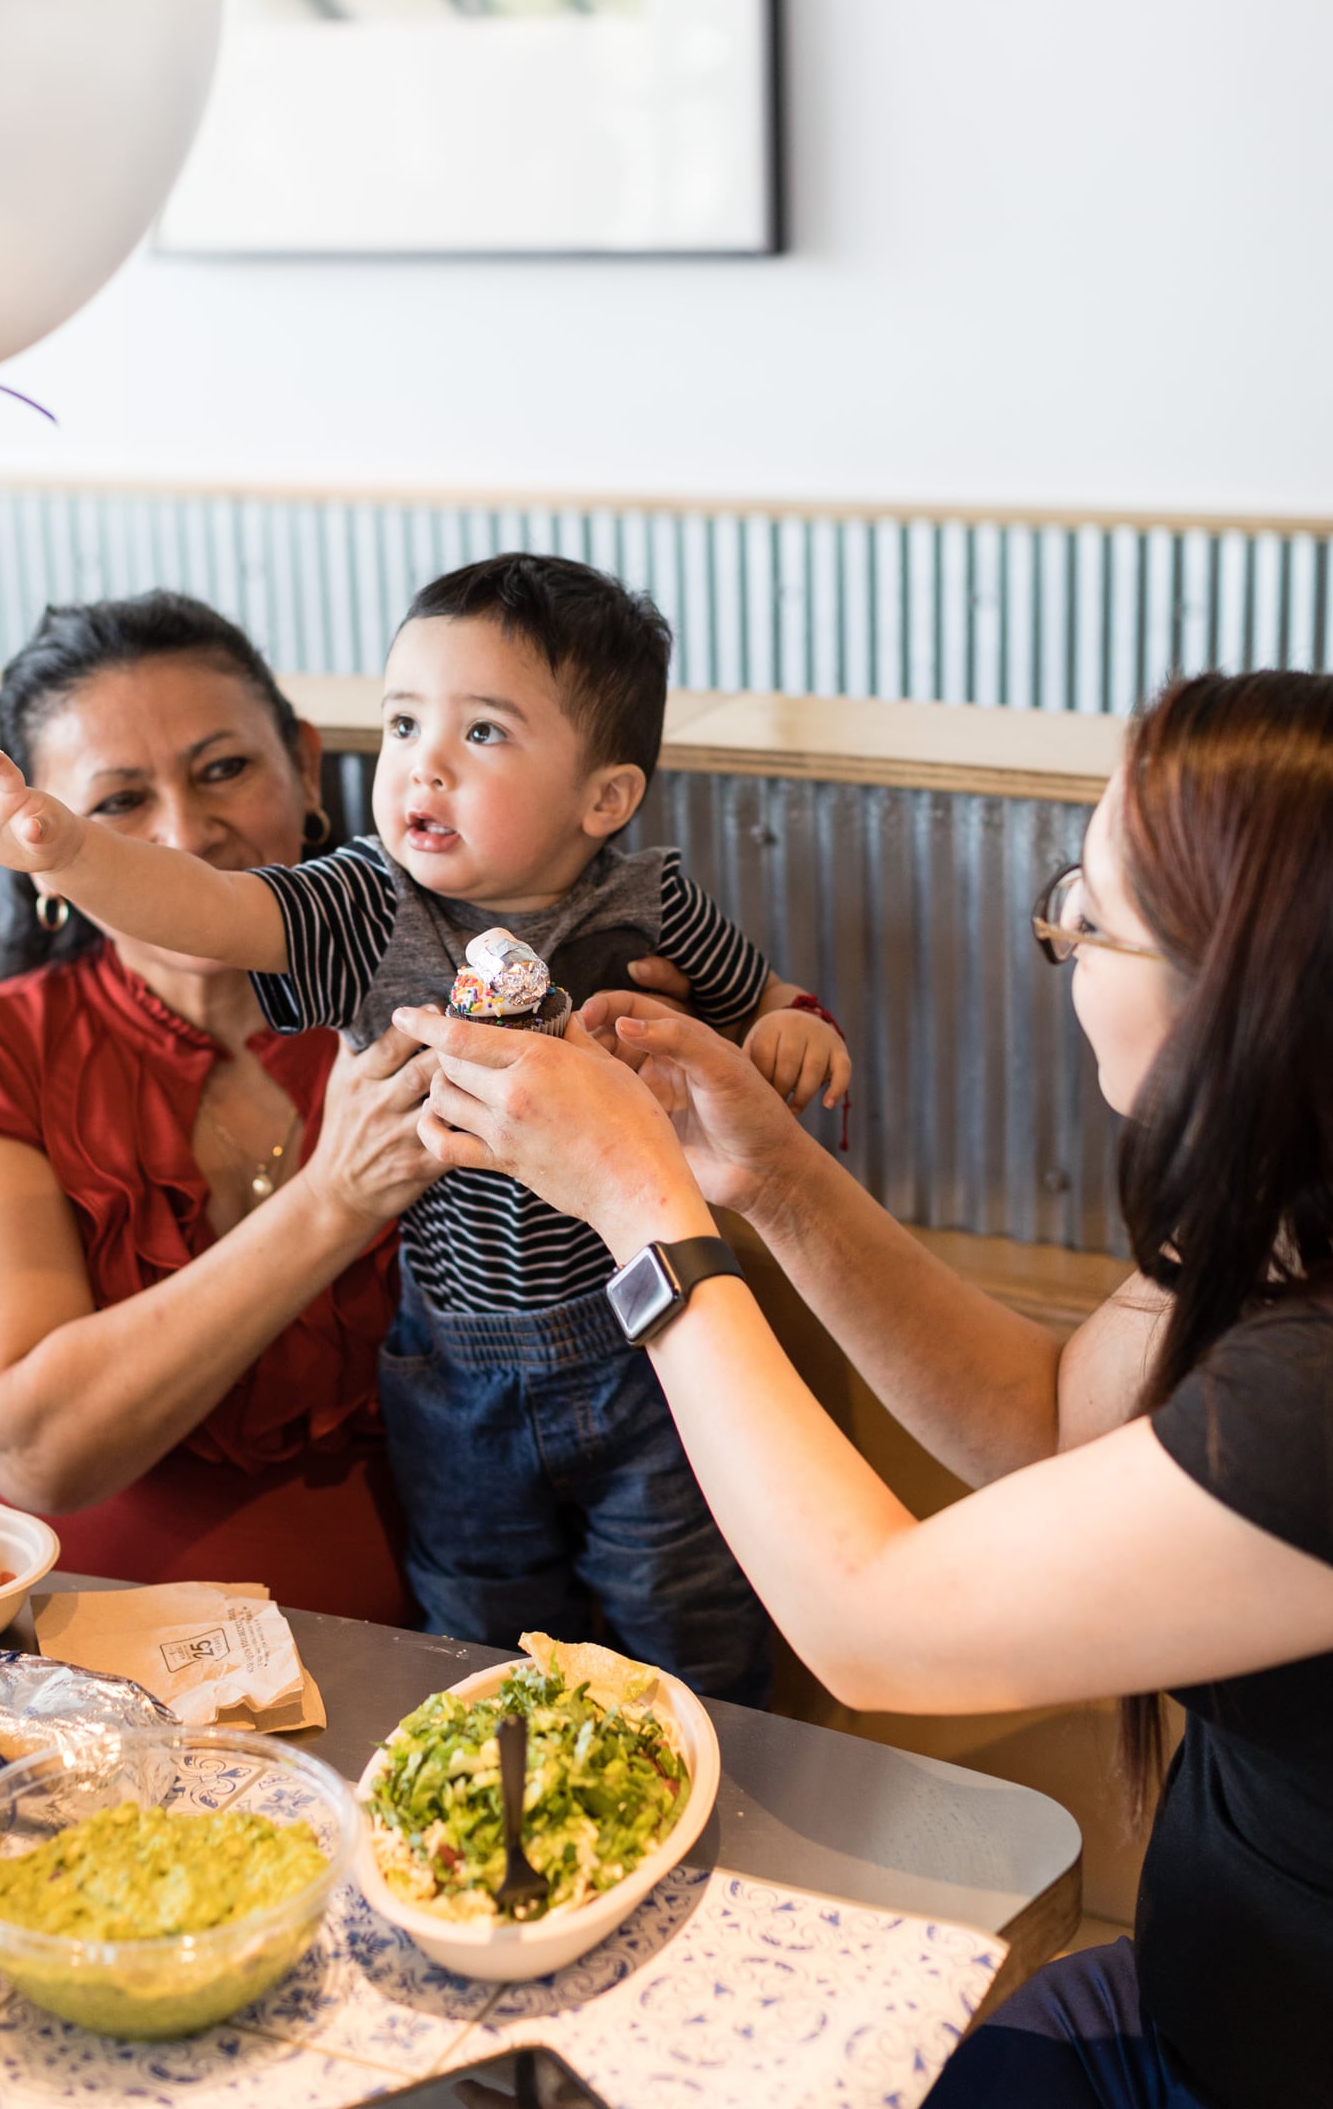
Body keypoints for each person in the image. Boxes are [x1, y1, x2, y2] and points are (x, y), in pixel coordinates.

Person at [390, 668, 1333, 2109]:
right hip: (1191, 1994)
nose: (1062, 941)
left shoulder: (1315, 1393)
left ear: (1252, 990)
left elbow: (874, 1628)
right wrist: (768, 1175)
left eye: (1090, 917)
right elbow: (1053, 1420)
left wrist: (642, 1214)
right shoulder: (1282, 1217)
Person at [0, 554, 852, 1706]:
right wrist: (62, 847)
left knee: (691, 1622)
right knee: (490, 1646)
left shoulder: (640, 912)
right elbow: (207, 903)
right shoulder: (360, 916)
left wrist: (766, 1040)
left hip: (625, 1358)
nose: (183, 834)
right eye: (404, 725)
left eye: (483, 733)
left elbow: (757, 1008)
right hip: (420, 1420)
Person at [0, 590, 444, 1624]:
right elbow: (35, 1448)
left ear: (306, 767)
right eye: (118, 804)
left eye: (224, 770)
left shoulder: (426, 1012)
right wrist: (335, 1200)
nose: (185, 835)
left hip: (424, 1653)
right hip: (53, 1651)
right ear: (34, 844)